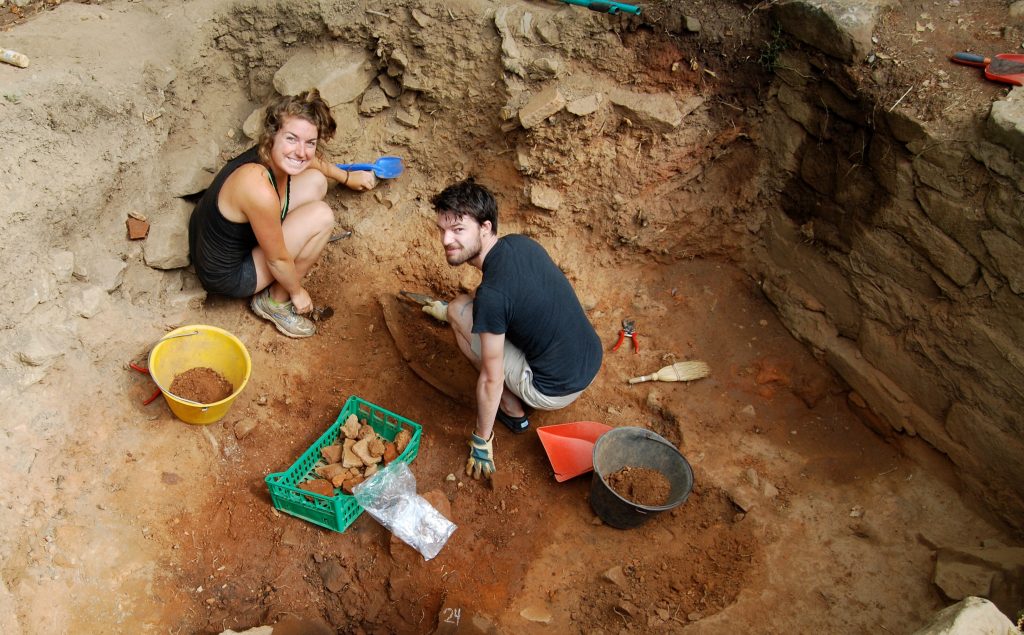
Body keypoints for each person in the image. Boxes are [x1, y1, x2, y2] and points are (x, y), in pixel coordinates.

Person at [425, 179, 603, 480]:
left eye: (457, 230)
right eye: (442, 230)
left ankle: (514, 412)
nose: (445, 240)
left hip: (552, 389)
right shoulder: (520, 244)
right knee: (474, 305)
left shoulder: (494, 296)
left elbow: (491, 379)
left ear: (485, 227)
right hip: (587, 360)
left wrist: (481, 440)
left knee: (458, 310)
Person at [188, 89, 376, 338]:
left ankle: (277, 283)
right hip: (227, 274)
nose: (301, 151)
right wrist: (297, 292)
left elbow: (310, 161)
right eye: (292, 139)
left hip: (214, 237)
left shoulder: (267, 153)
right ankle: (273, 303)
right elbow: (277, 260)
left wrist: (347, 176)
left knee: (317, 181)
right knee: (321, 216)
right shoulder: (257, 187)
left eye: (311, 142)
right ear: (272, 134)